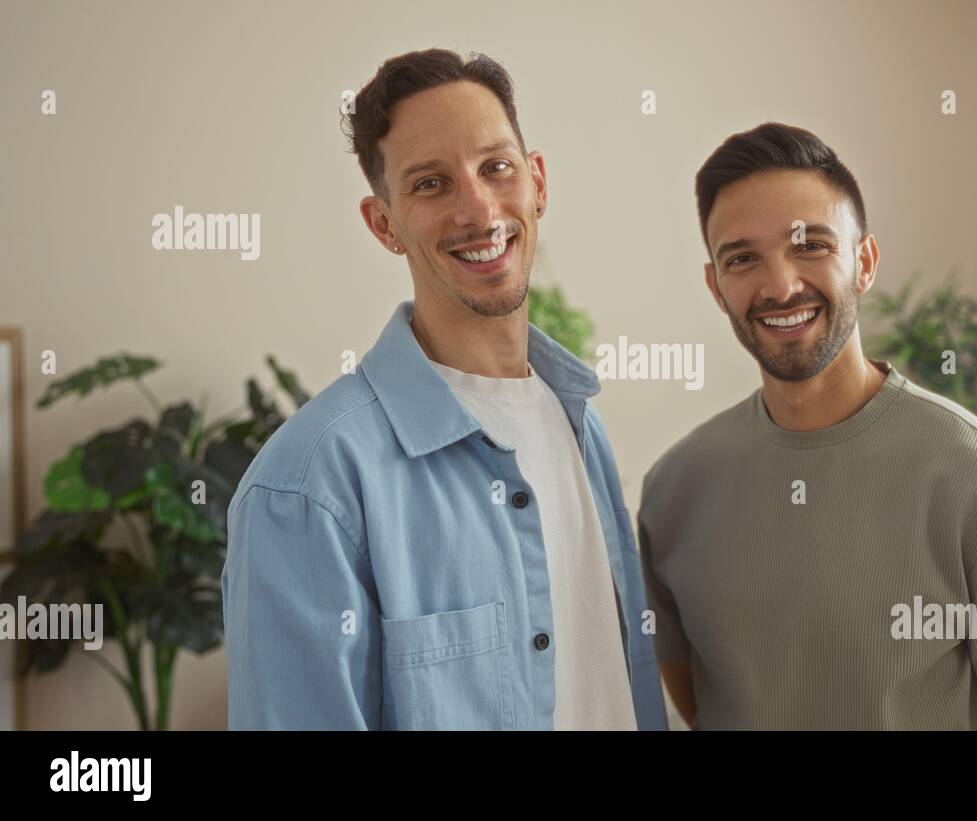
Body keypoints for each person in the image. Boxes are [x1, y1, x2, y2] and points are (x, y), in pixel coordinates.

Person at [222, 48, 667, 730]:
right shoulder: (307, 486)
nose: (479, 208)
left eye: (497, 167)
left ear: (537, 181)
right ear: (384, 223)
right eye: (431, 184)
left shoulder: (581, 423)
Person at [637, 122, 977, 730]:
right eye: (743, 258)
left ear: (863, 262)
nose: (781, 285)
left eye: (811, 245)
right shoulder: (674, 490)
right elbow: (700, 704)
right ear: (716, 286)